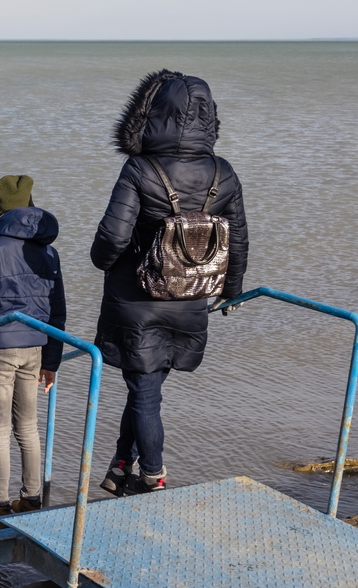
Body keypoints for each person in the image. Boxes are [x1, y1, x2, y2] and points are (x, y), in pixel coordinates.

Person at [91, 70, 249, 496]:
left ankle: (153, 475)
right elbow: (237, 238)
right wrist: (231, 289)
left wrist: (101, 262)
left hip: (136, 299)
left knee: (144, 392)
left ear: (153, 114)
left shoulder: (140, 167)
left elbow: (113, 237)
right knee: (146, 387)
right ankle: (122, 465)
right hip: (194, 295)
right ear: (208, 117)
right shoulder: (223, 171)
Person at [0, 175, 66, 521]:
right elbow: (57, 309)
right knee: (28, 427)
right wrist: (52, 360)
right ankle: (32, 499)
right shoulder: (48, 253)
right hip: (35, 346)